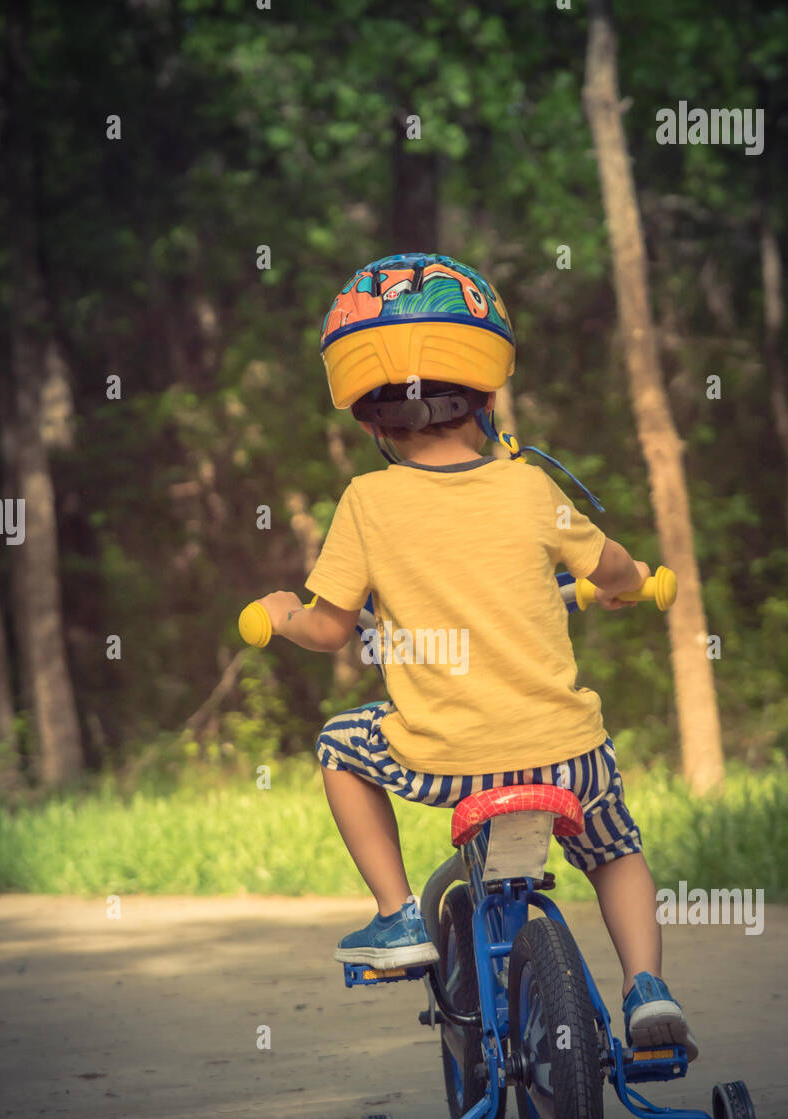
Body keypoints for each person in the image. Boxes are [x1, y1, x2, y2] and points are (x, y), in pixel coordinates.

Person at [254, 253, 698, 1059]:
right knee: (616, 850)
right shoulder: (531, 488)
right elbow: (616, 570)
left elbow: (328, 629)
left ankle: (396, 916)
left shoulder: (367, 501)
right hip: (568, 758)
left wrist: (284, 614)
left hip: (448, 761)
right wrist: (632, 588)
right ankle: (646, 990)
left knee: (338, 747)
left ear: (368, 421)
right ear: (489, 400)